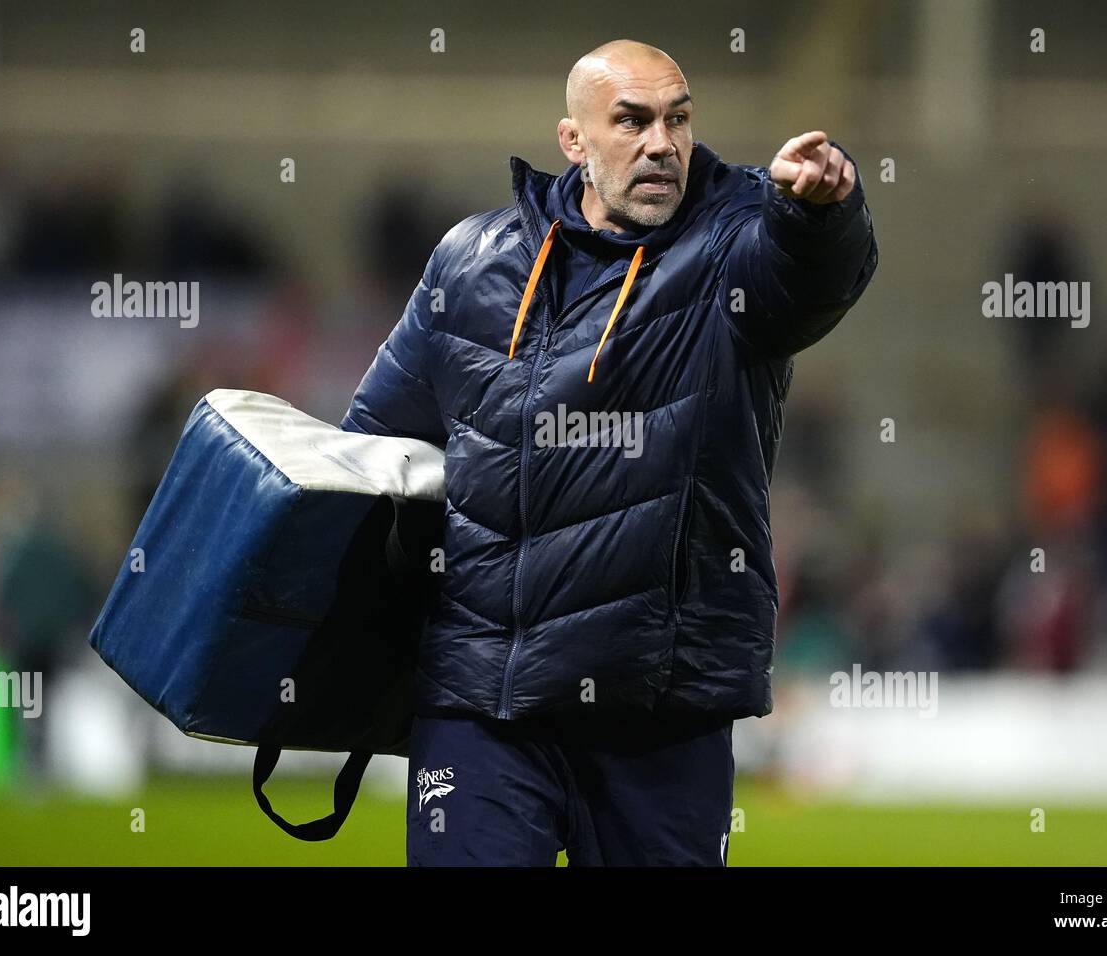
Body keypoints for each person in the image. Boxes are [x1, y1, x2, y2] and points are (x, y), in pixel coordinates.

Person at [341, 38, 878, 865]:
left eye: (678, 119)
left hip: (658, 709)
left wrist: (817, 216)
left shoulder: (734, 240)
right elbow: (374, 449)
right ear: (574, 141)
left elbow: (806, 279)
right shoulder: (472, 262)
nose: (661, 142)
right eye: (632, 120)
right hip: (485, 700)